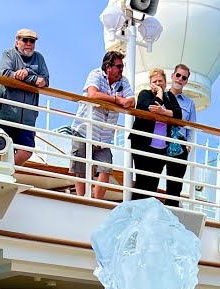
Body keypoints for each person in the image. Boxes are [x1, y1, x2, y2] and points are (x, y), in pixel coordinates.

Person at [71, 51, 134, 199]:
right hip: (84, 129)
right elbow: (93, 94)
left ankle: (95, 201)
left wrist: (126, 101)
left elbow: (132, 100)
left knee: (105, 170)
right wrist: (117, 100)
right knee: (81, 169)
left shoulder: (123, 81)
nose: (121, 70)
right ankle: (81, 199)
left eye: (122, 66)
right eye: (118, 66)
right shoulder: (96, 74)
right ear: (108, 67)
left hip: (104, 138)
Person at [0, 29, 49, 167]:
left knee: (26, 150)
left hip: (27, 117)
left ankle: (2, 170)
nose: (29, 43)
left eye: (32, 41)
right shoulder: (8, 54)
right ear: (17, 41)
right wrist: (33, 77)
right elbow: (6, 74)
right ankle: (1, 171)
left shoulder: (39, 58)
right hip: (6, 113)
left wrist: (27, 73)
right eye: (25, 40)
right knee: (0, 148)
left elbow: (45, 81)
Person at [129, 68, 182, 201]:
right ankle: (135, 213)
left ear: (165, 82)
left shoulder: (170, 98)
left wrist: (164, 112)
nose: (158, 83)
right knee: (142, 182)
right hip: (142, 144)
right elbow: (152, 107)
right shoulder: (144, 94)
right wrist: (159, 94)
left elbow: (178, 115)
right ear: (150, 83)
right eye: (155, 81)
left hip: (161, 148)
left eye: (160, 81)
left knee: (153, 185)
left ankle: (146, 215)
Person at [166, 63, 198, 205]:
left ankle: (170, 213)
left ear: (186, 82)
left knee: (175, 184)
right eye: (178, 75)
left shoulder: (189, 104)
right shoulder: (162, 96)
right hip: (161, 140)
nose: (179, 79)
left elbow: (192, 126)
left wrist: (188, 145)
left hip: (180, 144)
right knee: (152, 177)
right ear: (172, 76)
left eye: (183, 78)